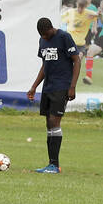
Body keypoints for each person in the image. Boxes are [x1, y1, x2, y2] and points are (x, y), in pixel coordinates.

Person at [26, 16, 80, 174]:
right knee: (48, 124)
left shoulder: (64, 37)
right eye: (41, 35)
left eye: (45, 34)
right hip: (48, 87)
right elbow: (45, 65)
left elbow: (77, 61)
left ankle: (55, 165)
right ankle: (51, 164)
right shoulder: (42, 40)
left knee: (54, 121)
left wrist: (72, 86)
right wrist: (34, 86)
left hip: (62, 85)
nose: (44, 37)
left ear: (51, 28)